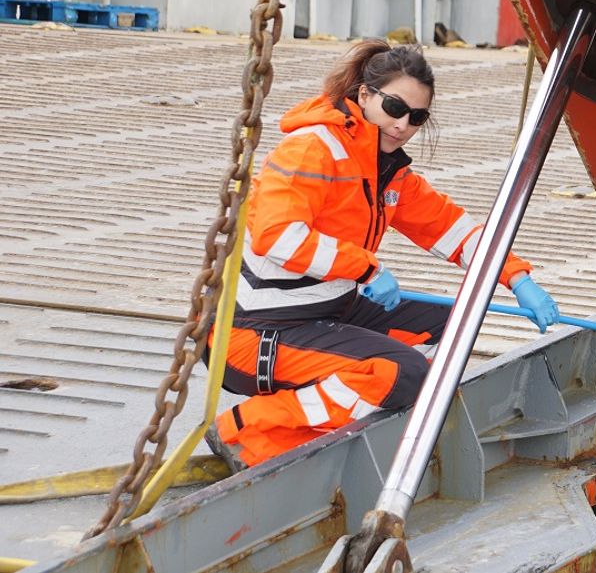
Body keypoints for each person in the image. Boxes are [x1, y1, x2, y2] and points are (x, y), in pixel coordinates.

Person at [204, 39, 560, 470]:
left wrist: (517, 278)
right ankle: (249, 428)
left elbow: (455, 231)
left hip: (322, 312)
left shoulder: (386, 170)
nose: (403, 124)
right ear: (365, 96)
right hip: (252, 333)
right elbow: (277, 236)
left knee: (453, 325)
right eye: (394, 107)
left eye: (417, 117)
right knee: (404, 374)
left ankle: (325, 418)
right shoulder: (313, 149)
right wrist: (366, 268)